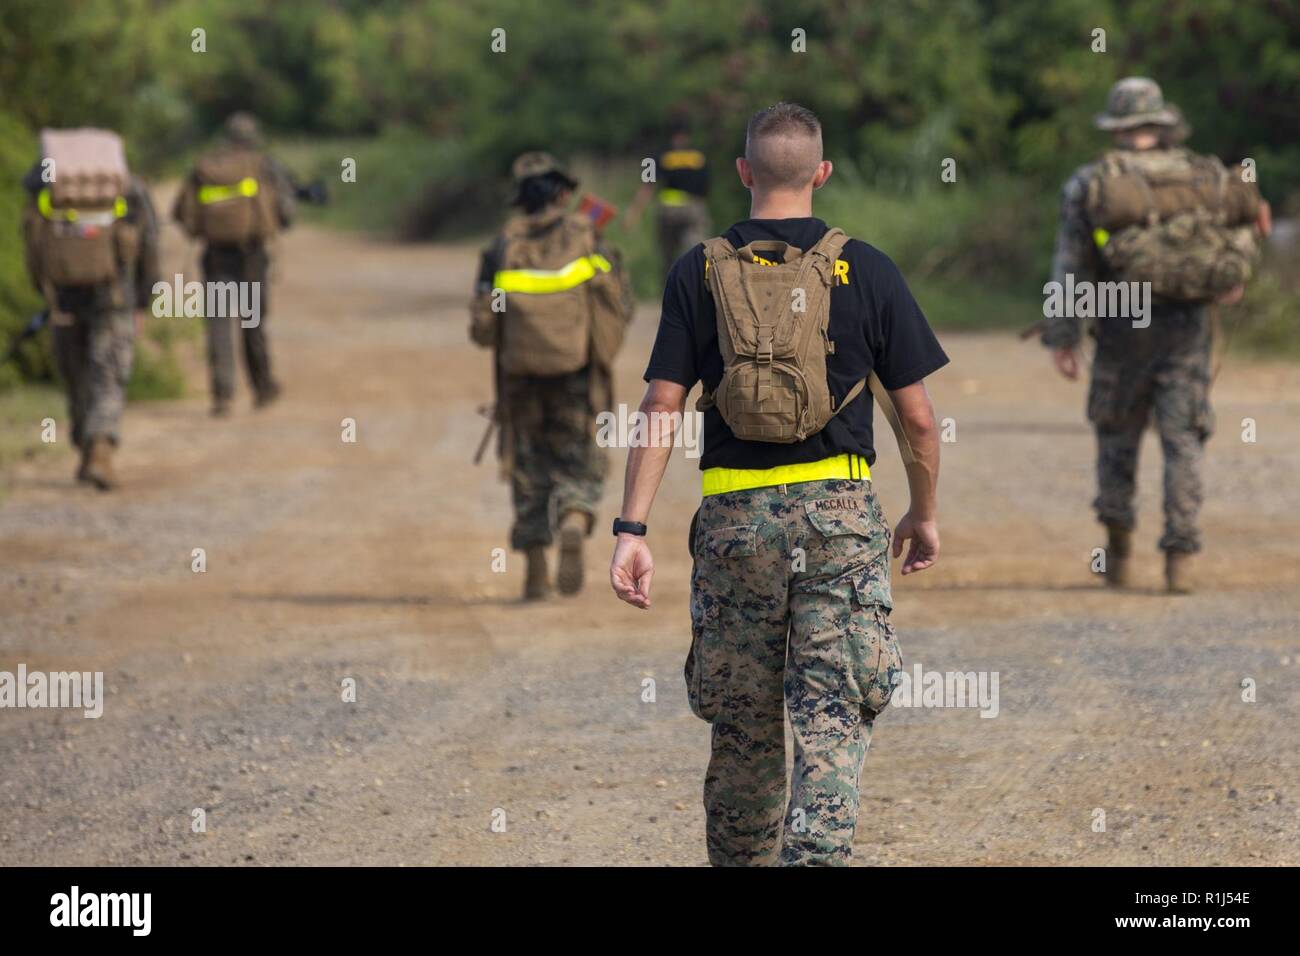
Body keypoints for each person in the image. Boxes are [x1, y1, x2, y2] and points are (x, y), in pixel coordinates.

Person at [609, 103, 947, 865]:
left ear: (742, 173)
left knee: (743, 724)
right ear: (822, 174)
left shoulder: (697, 270)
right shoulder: (868, 267)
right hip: (841, 516)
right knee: (831, 716)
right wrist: (922, 514)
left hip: (735, 518)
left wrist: (631, 529)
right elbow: (919, 422)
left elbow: (664, 405)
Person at [1042, 77, 1270, 593]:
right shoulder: (1205, 174)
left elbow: (1070, 264)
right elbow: (1240, 235)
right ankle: (1180, 560)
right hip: (1187, 326)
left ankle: (1119, 553)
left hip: (1122, 321)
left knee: (1116, 436)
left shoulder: (1091, 181)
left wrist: (1062, 333)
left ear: (1118, 127)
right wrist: (1227, 279)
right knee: (1183, 438)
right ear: (1163, 123)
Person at [471, 153, 634, 600]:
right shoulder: (589, 238)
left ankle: (536, 570)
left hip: (520, 378)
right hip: (578, 375)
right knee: (580, 460)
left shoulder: (500, 247)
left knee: (528, 469)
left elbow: (483, 329)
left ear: (520, 199)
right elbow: (620, 306)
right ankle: (575, 520)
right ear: (563, 193)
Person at [20, 128, 160, 490]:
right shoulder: (128, 188)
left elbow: (32, 240)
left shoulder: (44, 185)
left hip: (64, 296)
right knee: (108, 374)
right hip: (116, 296)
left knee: (76, 373)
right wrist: (144, 299)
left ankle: (85, 445)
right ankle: (101, 448)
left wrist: (44, 290)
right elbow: (149, 244)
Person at [174, 112, 296, 416]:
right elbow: (286, 211)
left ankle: (222, 395)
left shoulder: (205, 166)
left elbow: (181, 211)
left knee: (218, 326)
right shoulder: (263, 166)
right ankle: (262, 387)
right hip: (252, 254)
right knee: (252, 322)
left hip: (215, 254)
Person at [626, 120, 712, 279]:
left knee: (667, 256)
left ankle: (670, 288)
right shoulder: (700, 155)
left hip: (667, 211)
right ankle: (695, 288)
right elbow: (706, 187)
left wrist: (633, 212)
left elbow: (646, 186)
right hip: (694, 209)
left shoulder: (656, 155)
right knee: (697, 252)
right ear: (688, 135)